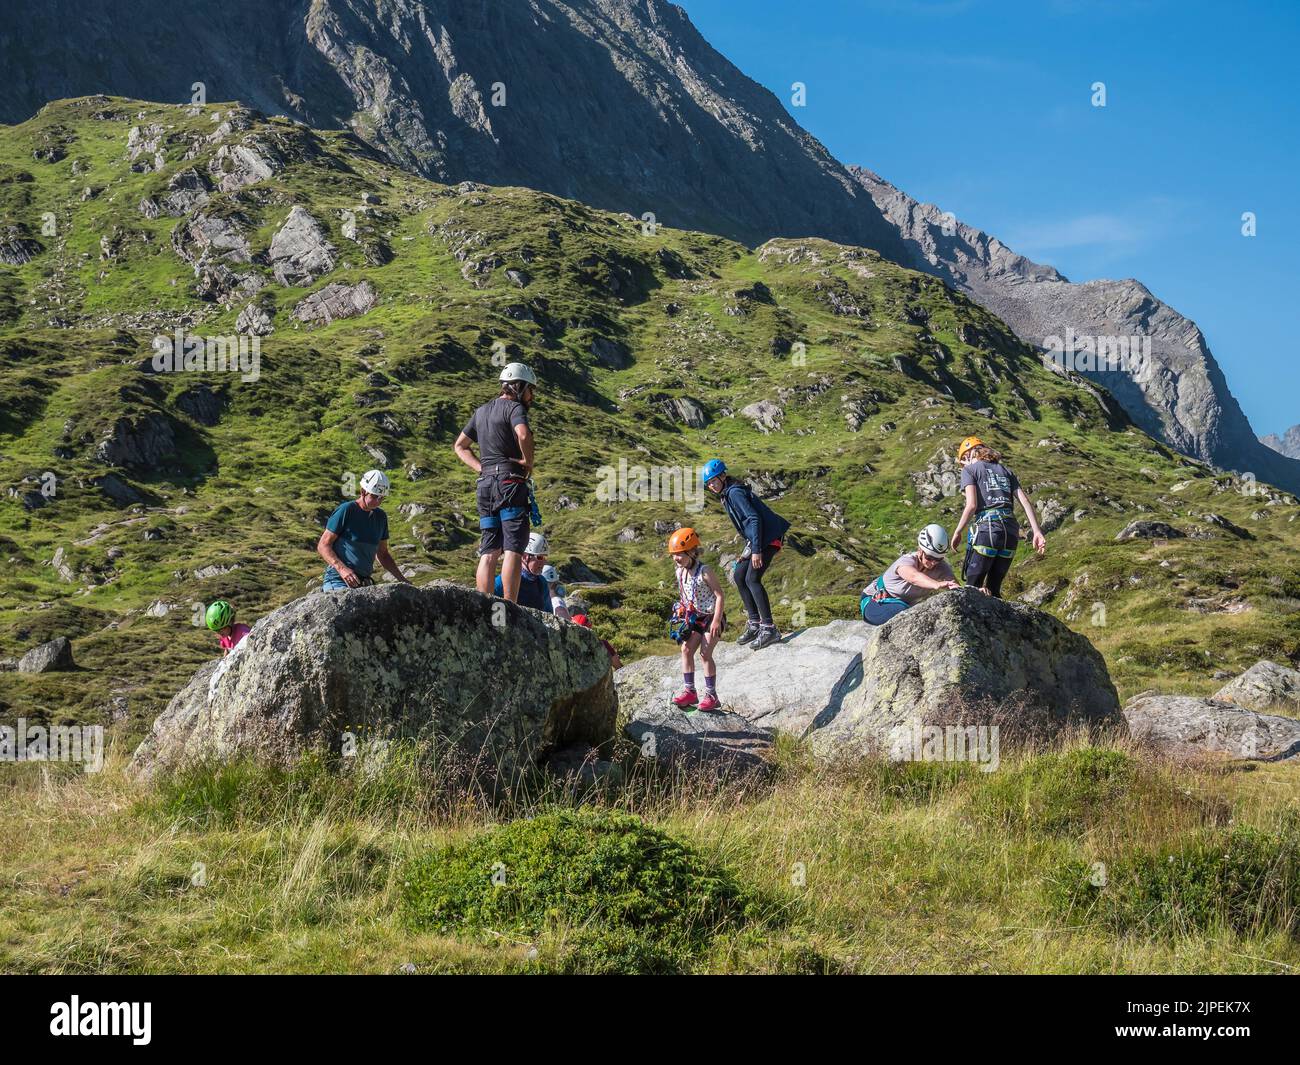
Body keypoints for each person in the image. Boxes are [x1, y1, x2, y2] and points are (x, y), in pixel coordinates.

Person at [454, 362, 537, 604]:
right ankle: (510, 606)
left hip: (485, 485)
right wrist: (527, 461)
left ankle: (485, 605)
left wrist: (482, 468)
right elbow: (523, 434)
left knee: (489, 549)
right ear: (519, 387)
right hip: (510, 483)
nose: (532, 396)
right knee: (513, 547)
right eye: (530, 390)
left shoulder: (481, 411)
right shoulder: (514, 408)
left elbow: (460, 446)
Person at [701, 458, 790, 650]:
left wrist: (756, 551)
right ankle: (755, 623)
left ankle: (769, 629)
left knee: (752, 578)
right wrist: (748, 550)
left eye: (713, 481)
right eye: (708, 483)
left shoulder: (734, 493)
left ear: (723, 476)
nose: (711, 485)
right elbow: (748, 527)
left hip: (769, 537)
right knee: (739, 575)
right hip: (758, 539)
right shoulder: (727, 494)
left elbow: (754, 519)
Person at [950, 436, 1046, 598]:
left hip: (988, 530)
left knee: (972, 589)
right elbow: (1025, 501)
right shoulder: (1006, 471)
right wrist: (1037, 531)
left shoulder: (970, 470)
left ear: (967, 455)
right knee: (994, 590)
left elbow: (971, 505)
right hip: (1011, 533)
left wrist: (958, 531)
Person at [317, 469, 410, 590]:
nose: (378, 501)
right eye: (375, 496)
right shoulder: (346, 510)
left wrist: (403, 580)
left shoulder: (381, 517)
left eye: (382, 498)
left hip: (363, 583)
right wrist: (342, 569)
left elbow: (383, 554)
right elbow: (323, 545)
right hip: (338, 580)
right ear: (363, 491)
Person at [666, 527, 726, 711]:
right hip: (695, 617)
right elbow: (685, 594)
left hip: (712, 617)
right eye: (674, 555)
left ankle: (712, 696)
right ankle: (690, 692)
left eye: (679, 554)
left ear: (692, 552)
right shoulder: (680, 571)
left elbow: (719, 595)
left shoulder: (704, 571)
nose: (676, 558)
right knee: (686, 650)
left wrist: (716, 621)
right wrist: (682, 608)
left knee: (705, 654)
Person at [861, 524, 960, 625]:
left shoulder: (941, 566)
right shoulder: (906, 561)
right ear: (920, 550)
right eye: (929, 557)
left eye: (938, 559)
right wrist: (936, 584)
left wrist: (956, 589)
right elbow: (914, 577)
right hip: (875, 601)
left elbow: (954, 585)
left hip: (903, 606)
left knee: (912, 615)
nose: (933, 562)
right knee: (905, 615)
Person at [492, 532, 568, 617]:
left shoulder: (541, 582)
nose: (544, 562)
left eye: (545, 557)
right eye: (540, 557)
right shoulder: (502, 581)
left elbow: (548, 614)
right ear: (524, 557)